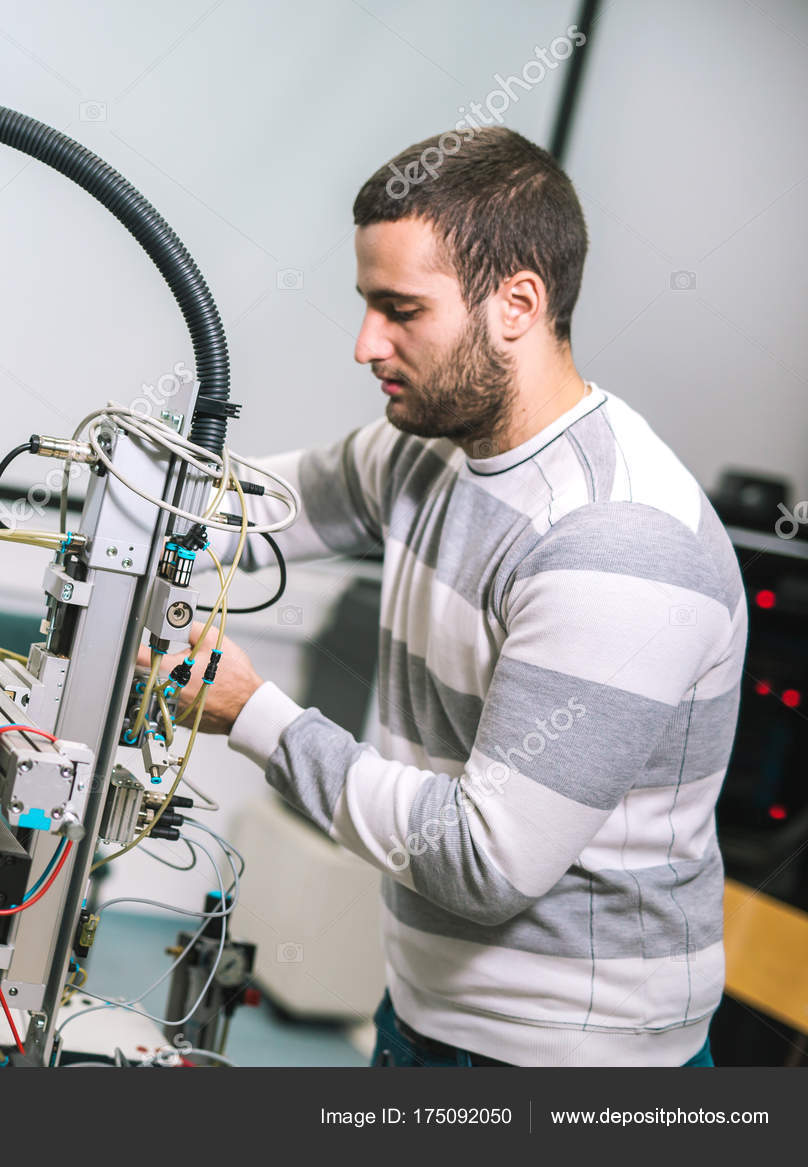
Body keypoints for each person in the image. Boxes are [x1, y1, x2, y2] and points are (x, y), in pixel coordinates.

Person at [159, 128, 743, 1066]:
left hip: (569, 1059)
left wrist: (252, 715)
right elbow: (254, 509)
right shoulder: (428, 450)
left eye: (401, 311)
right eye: (366, 305)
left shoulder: (616, 539)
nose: (365, 345)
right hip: (429, 1013)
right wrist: (123, 489)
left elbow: (484, 860)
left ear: (518, 303)